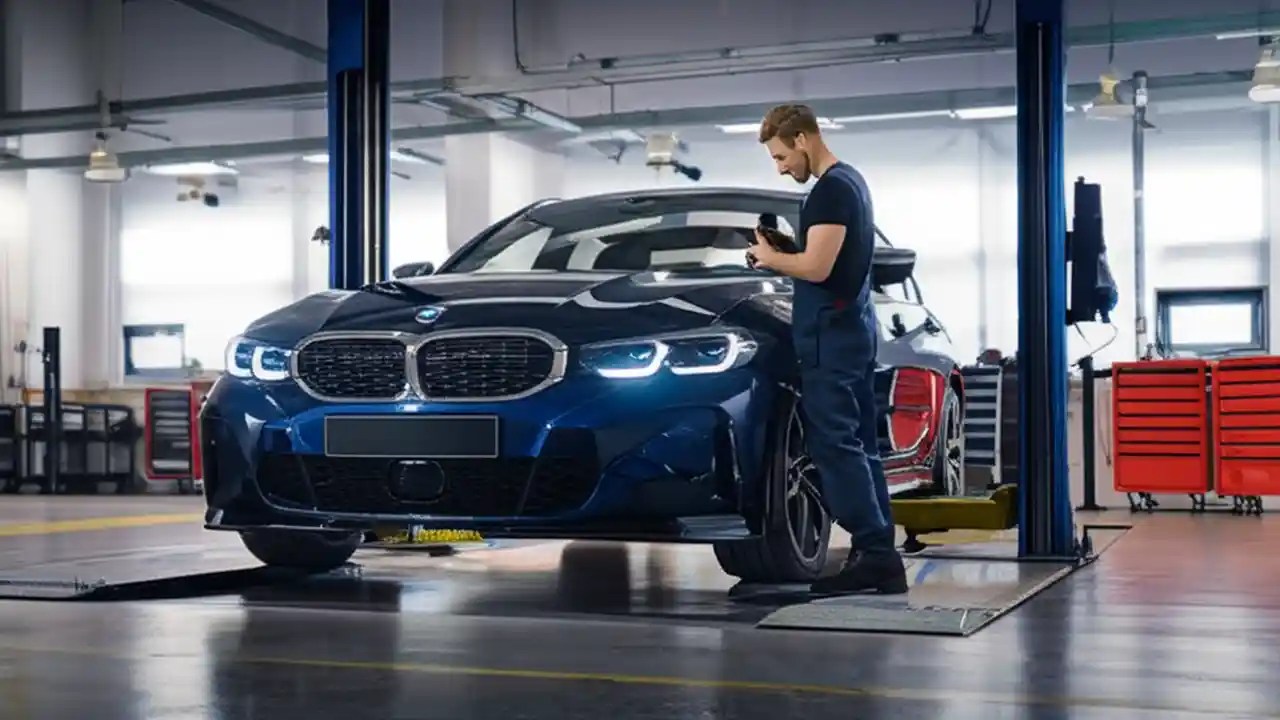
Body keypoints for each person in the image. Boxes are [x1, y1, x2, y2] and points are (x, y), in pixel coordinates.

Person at [746, 103, 907, 595]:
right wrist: (789, 251)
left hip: (831, 341)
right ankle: (879, 553)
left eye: (779, 157)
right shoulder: (852, 183)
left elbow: (817, 268)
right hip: (850, 332)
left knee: (835, 446)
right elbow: (831, 261)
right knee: (861, 446)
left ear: (801, 139)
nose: (780, 167)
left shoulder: (830, 190)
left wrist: (771, 258)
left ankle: (875, 552)